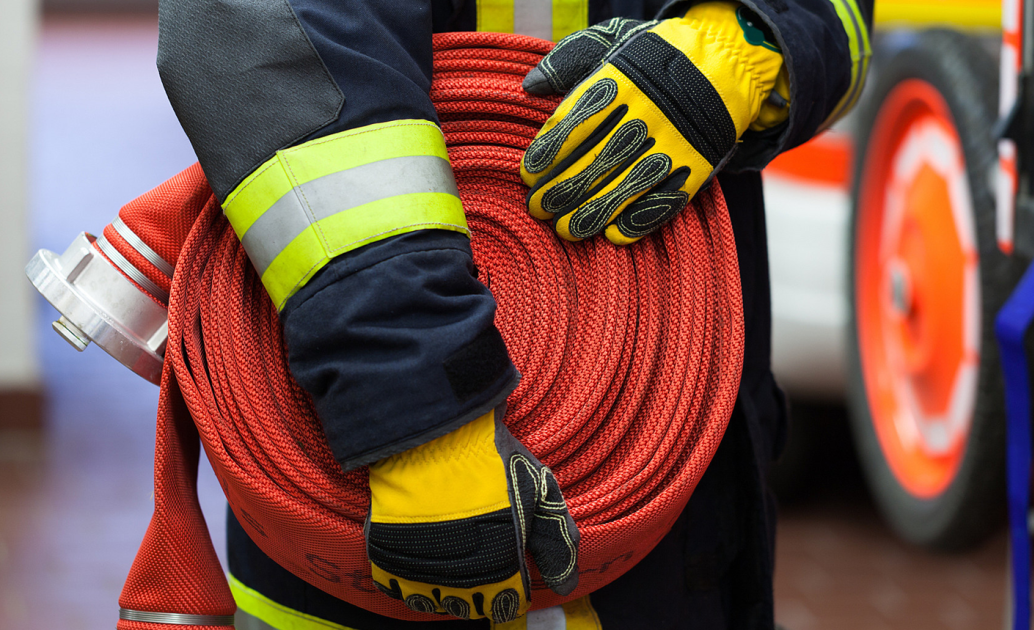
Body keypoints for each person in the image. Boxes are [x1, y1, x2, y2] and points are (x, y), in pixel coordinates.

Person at [154, 0, 871, 626]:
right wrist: (417, 403)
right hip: (366, 488)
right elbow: (258, 30)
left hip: (675, 529)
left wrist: (744, 36)